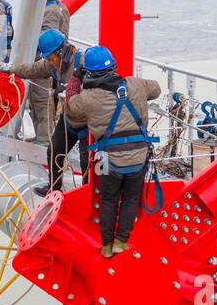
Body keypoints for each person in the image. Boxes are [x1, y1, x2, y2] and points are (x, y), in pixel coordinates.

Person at [63, 45, 161, 259]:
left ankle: (106, 245)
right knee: (130, 199)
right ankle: (121, 241)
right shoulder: (135, 84)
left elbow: (70, 107)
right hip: (138, 156)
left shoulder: (88, 98)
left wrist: (75, 80)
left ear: (89, 72)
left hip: (110, 160)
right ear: (113, 66)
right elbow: (157, 88)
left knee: (109, 200)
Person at [6, 28, 88, 196]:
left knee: (86, 160)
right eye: (49, 59)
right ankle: (54, 187)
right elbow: (33, 69)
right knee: (55, 149)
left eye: (52, 58)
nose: (51, 62)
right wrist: (10, 70)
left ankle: (87, 195)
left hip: (88, 120)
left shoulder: (83, 63)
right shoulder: (52, 64)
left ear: (62, 51)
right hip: (70, 118)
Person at [25, 0, 71, 139]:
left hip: (45, 63)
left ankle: (43, 139)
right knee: (43, 101)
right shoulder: (61, 7)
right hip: (57, 62)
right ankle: (42, 136)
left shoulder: (50, 11)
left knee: (41, 101)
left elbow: (47, 38)